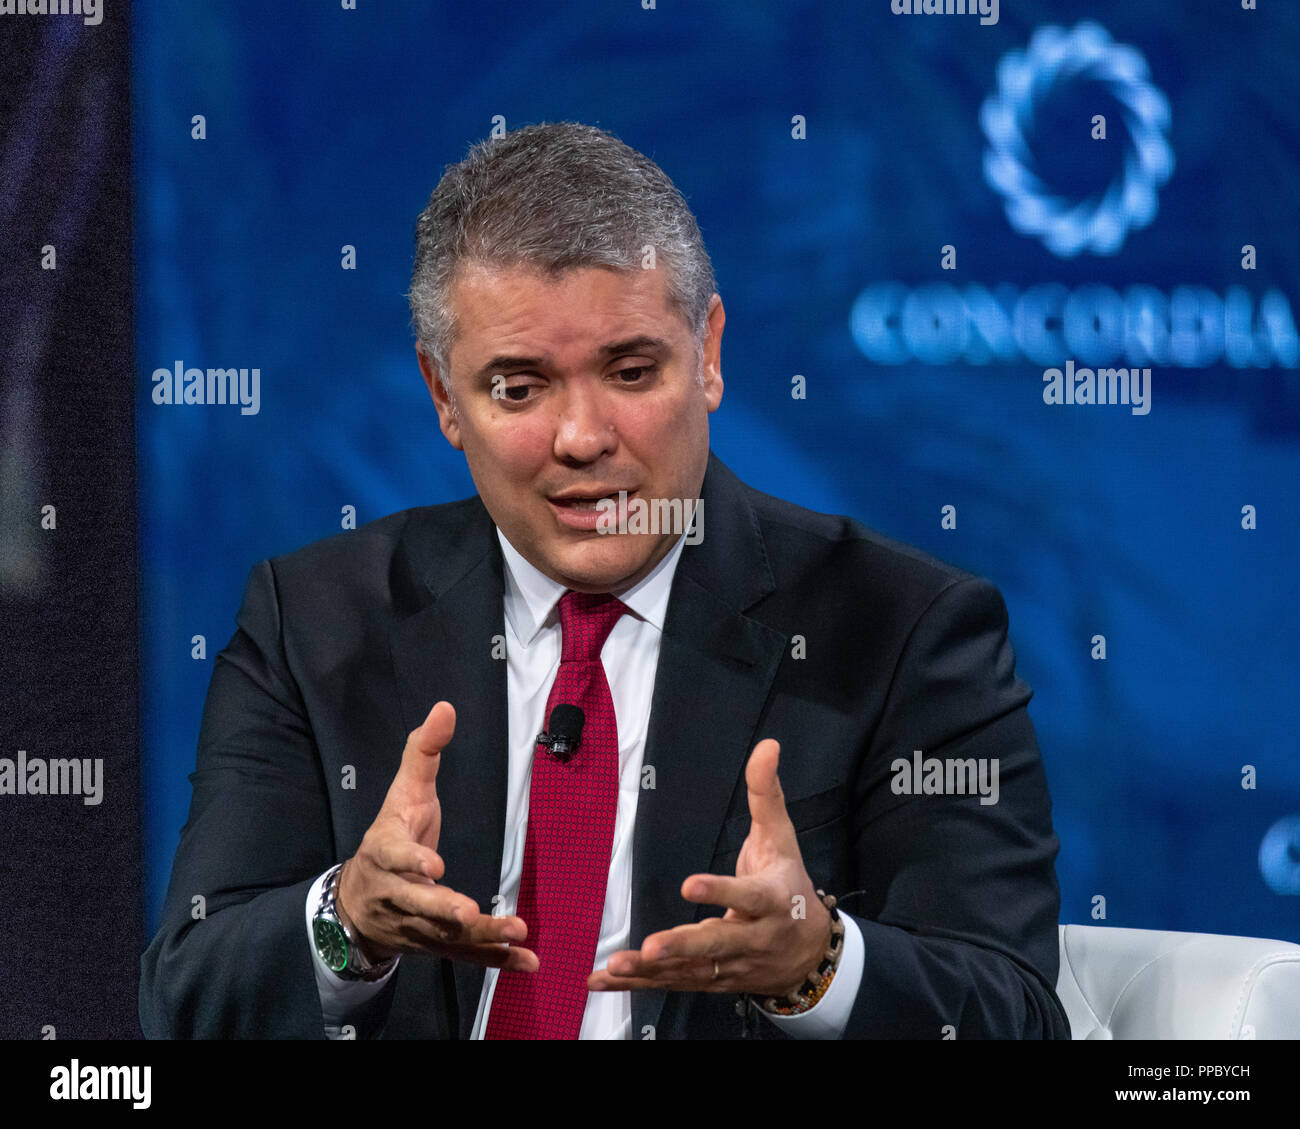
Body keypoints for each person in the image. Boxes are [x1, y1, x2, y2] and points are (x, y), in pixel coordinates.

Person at [139, 121, 1069, 1040]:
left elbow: (1015, 1013)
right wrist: (349, 923)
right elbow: (188, 995)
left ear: (707, 354)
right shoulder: (315, 621)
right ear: (441, 396)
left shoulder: (901, 630)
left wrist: (817, 963)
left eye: (630, 370)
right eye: (518, 386)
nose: (582, 437)